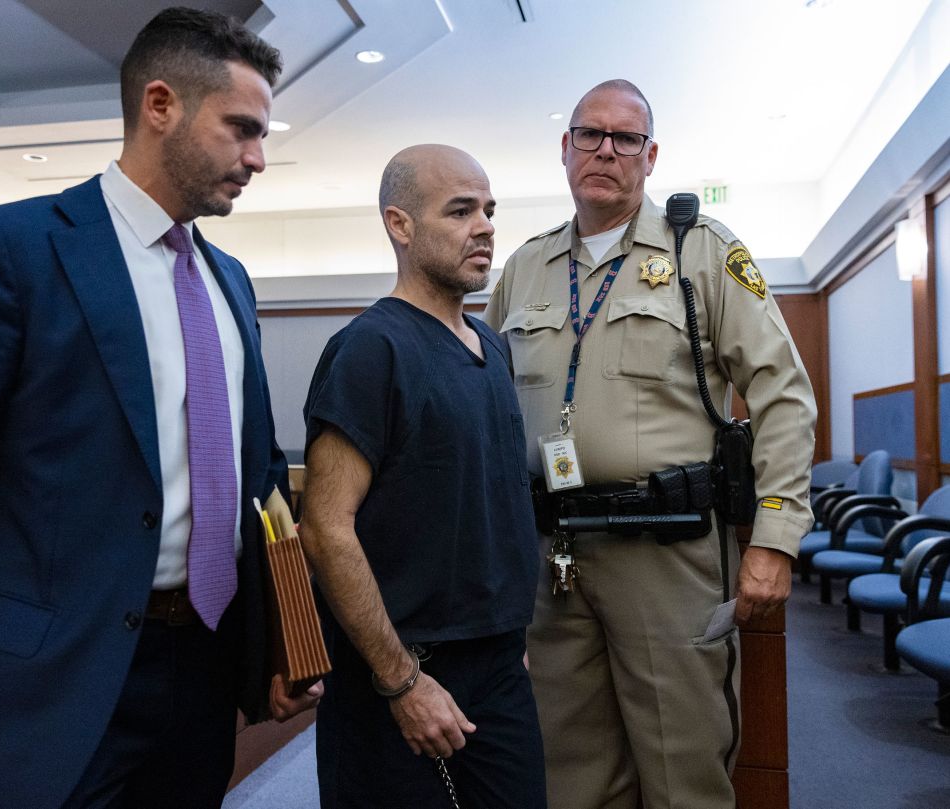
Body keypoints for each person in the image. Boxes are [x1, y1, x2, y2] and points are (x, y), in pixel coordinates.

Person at [0, 8, 320, 809]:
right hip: (43, 689)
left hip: (202, 679)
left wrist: (280, 641)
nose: (258, 158)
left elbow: (260, 477)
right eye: (241, 129)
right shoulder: (7, 251)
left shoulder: (230, 280)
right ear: (159, 105)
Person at [484, 80, 816, 809]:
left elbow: (782, 393)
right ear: (564, 148)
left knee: (682, 768)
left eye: (625, 138)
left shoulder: (702, 252)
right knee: (567, 771)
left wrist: (775, 537)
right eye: (589, 134)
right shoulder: (525, 268)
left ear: (650, 155)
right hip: (553, 558)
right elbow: (486, 406)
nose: (605, 149)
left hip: (666, 552)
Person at [300, 144, 546, 809]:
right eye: (461, 210)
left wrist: (505, 640)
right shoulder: (368, 349)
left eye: (490, 210)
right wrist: (402, 680)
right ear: (400, 225)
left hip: (496, 668)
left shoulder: (490, 347)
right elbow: (324, 529)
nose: (486, 226)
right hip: (401, 675)